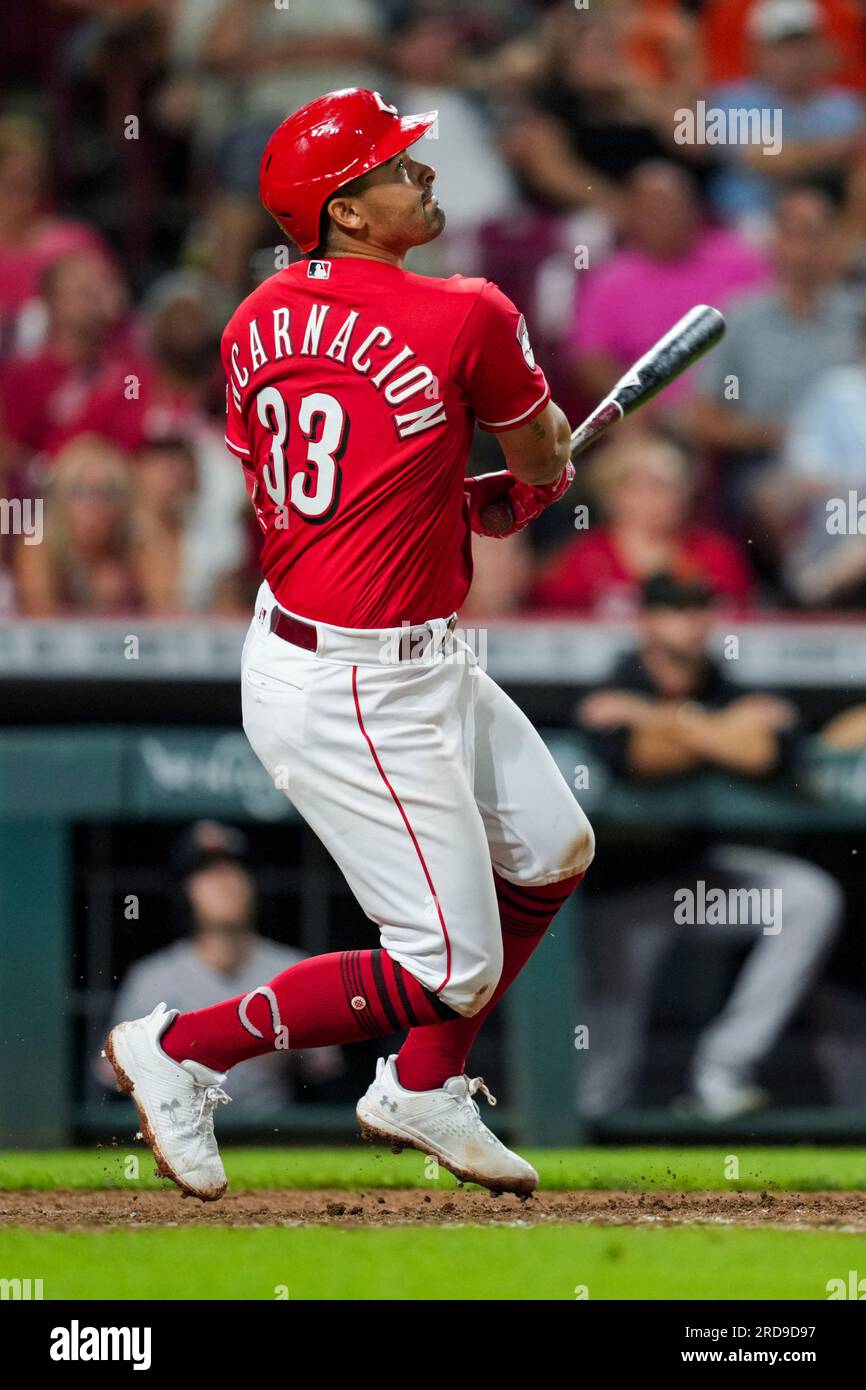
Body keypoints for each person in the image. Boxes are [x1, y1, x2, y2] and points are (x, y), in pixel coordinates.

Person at [105, 87, 595, 1201]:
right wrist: (534, 479)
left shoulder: (249, 318)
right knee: (447, 962)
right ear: (345, 210)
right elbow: (539, 452)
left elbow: (346, 481)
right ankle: (183, 1047)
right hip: (357, 680)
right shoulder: (465, 309)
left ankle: (422, 1085)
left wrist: (467, 498)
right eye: (394, 168)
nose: (421, 177)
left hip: (367, 645)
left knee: (553, 846)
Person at [576, 572, 842, 1119]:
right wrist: (719, 733)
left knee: (808, 897)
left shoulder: (718, 683)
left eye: (700, 610)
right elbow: (637, 761)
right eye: (677, 610)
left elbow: (770, 753)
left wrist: (667, 720)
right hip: (620, 897)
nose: (692, 622)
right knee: (601, 1079)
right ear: (647, 619)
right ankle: (584, 1154)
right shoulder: (617, 682)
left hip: (700, 879)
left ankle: (723, 1072)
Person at [101, 822, 341, 1116]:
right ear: (185, 890)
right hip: (183, 1129)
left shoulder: (293, 970)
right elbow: (113, 1081)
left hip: (275, 1135)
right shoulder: (153, 978)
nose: (225, 882)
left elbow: (328, 1082)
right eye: (207, 872)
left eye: (235, 869)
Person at [690, 183, 861, 517]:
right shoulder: (741, 318)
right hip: (769, 463)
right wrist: (773, 434)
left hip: (852, 459)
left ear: (834, 243)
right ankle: (808, 570)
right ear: (774, 243)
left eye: (814, 235)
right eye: (793, 234)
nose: (803, 250)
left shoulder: (857, 317)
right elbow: (704, 417)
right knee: (782, 499)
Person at [568, 161, 770, 419]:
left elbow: (773, 326)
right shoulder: (610, 281)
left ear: (693, 209)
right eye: (651, 209)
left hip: (738, 409)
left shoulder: (740, 262)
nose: (664, 217)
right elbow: (590, 360)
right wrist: (639, 407)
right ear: (632, 214)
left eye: (672, 207)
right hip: (652, 418)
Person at [531, 431, 753, 617]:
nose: (665, 498)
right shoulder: (584, 559)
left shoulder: (716, 555)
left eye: (675, 486)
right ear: (614, 493)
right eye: (648, 487)